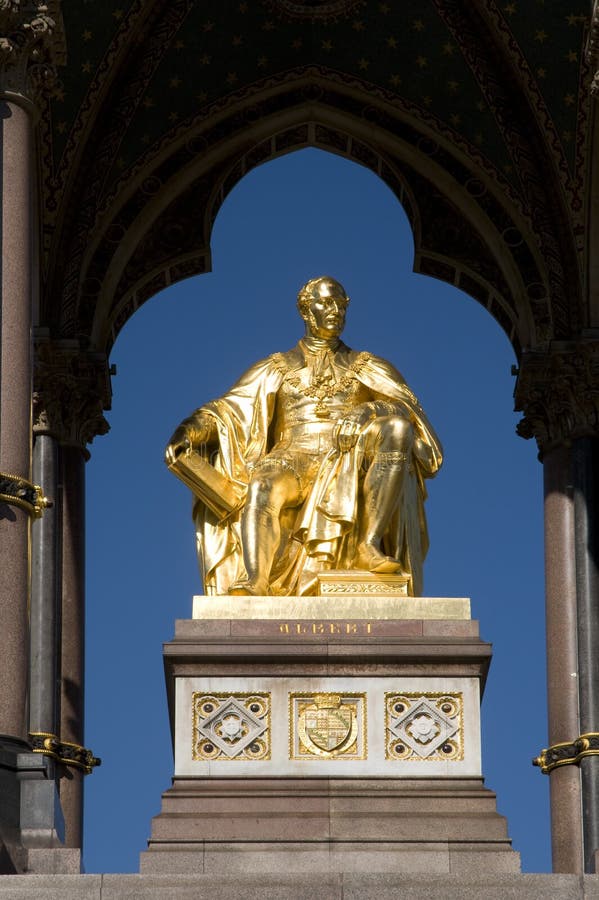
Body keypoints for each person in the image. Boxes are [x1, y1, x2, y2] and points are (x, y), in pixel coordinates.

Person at [166, 276, 442, 597]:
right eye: (325, 303)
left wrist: (368, 410)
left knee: (396, 428)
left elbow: (406, 410)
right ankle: (255, 578)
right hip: (292, 457)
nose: (334, 310)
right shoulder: (276, 367)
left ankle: (368, 544)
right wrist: (188, 431)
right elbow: (226, 410)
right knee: (263, 486)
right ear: (305, 310)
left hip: (349, 459)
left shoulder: (368, 365)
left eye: (340, 303)